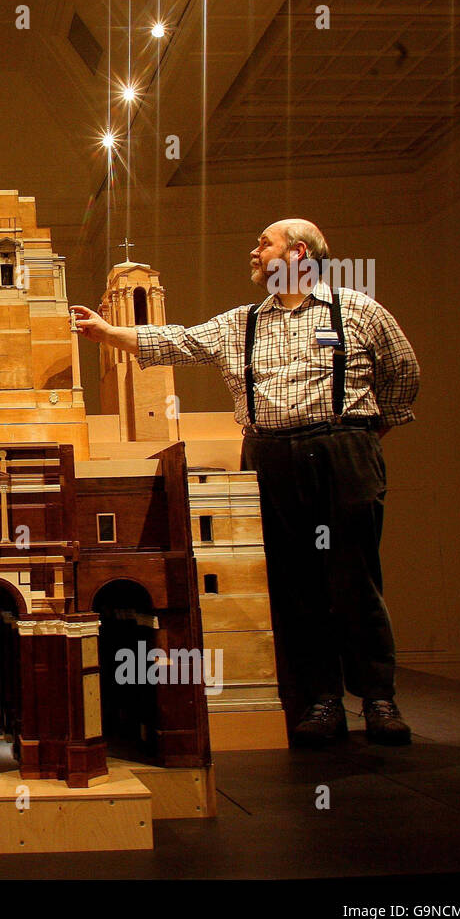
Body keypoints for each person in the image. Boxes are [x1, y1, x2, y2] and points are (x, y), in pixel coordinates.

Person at [71, 220, 420, 747]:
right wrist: (106, 332)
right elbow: (179, 341)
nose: (254, 251)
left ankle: (378, 698)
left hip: (343, 452)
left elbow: (403, 374)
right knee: (295, 585)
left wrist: (364, 434)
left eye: (264, 243)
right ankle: (321, 701)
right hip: (273, 457)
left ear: (298, 252)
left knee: (355, 578)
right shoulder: (243, 323)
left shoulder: (357, 310)